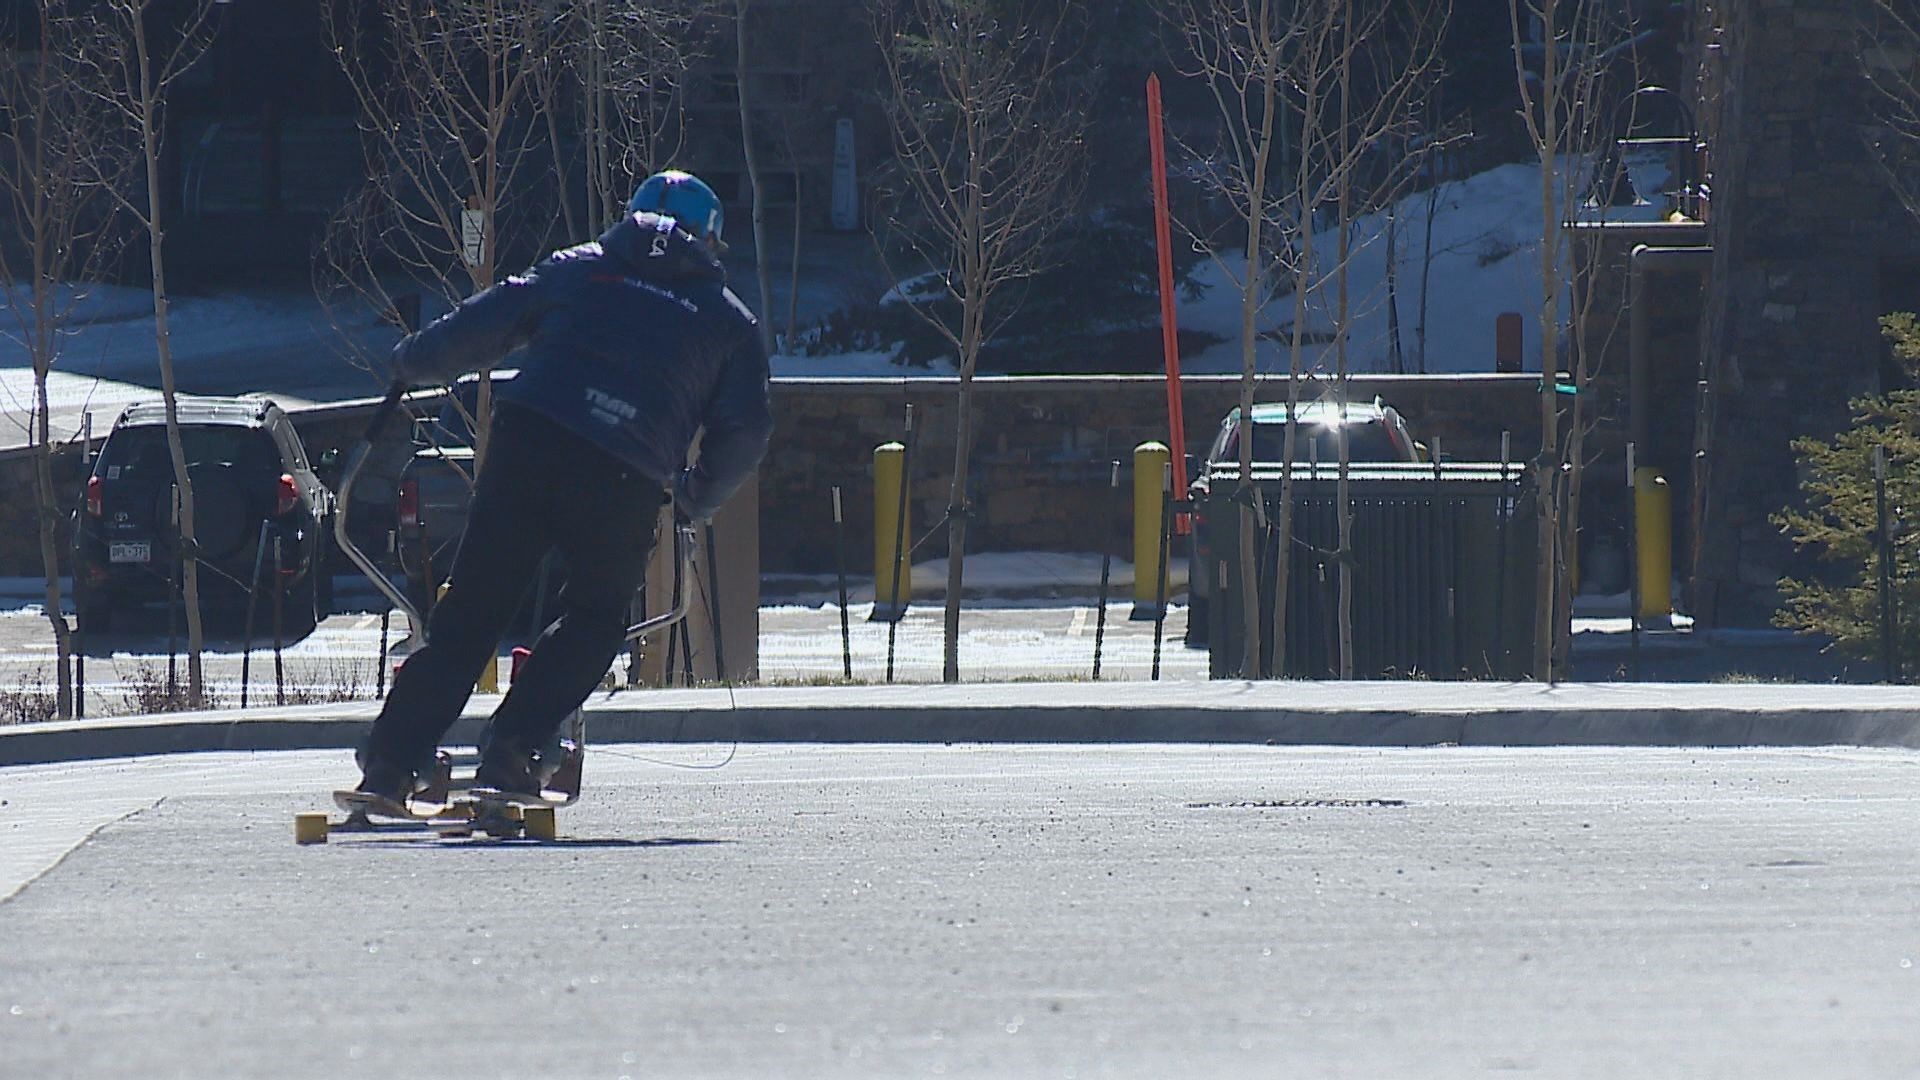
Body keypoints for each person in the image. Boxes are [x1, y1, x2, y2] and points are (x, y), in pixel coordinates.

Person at [353, 170, 772, 805]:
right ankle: (514, 750)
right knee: (596, 619)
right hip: (626, 470)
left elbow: (484, 321)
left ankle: (391, 764)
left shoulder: (581, 268)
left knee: (470, 614)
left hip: (531, 439)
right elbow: (746, 429)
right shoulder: (727, 321)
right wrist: (696, 495)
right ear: (709, 242)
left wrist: (413, 360)